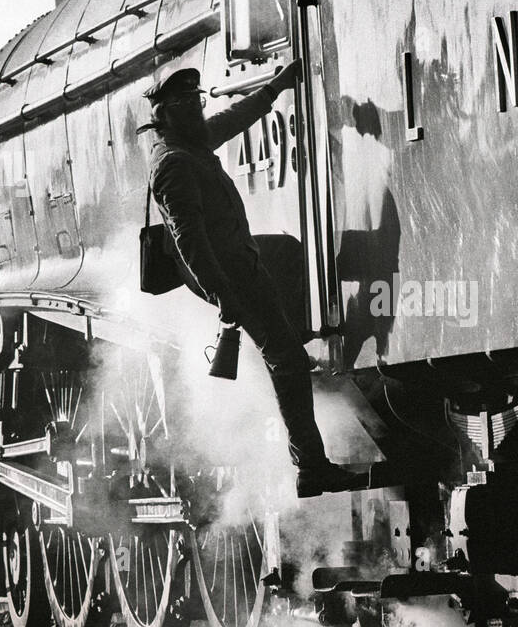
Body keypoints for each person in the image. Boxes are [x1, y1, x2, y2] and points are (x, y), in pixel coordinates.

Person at [142, 64, 365, 498]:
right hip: (231, 276)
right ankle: (312, 468)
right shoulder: (173, 164)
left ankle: (303, 338)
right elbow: (191, 243)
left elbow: (235, 118)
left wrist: (276, 87)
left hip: (242, 263)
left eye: (196, 102)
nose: (194, 110)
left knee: (287, 253)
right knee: (287, 361)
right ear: (164, 114)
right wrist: (223, 294)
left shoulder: (192, 142)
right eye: (183, 105)